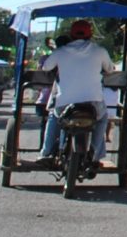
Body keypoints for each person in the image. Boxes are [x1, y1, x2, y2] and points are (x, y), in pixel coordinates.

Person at [38, 20, 119, 168]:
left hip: (64, 103)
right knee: (102, 119)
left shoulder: (60, 51)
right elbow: (110, 70)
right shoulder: (100, 51)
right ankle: (96, 155)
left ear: (71, 35)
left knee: (53, 117)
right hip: (93, 104)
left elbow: (45, 67)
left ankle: (46, 153)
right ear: (91, 34)